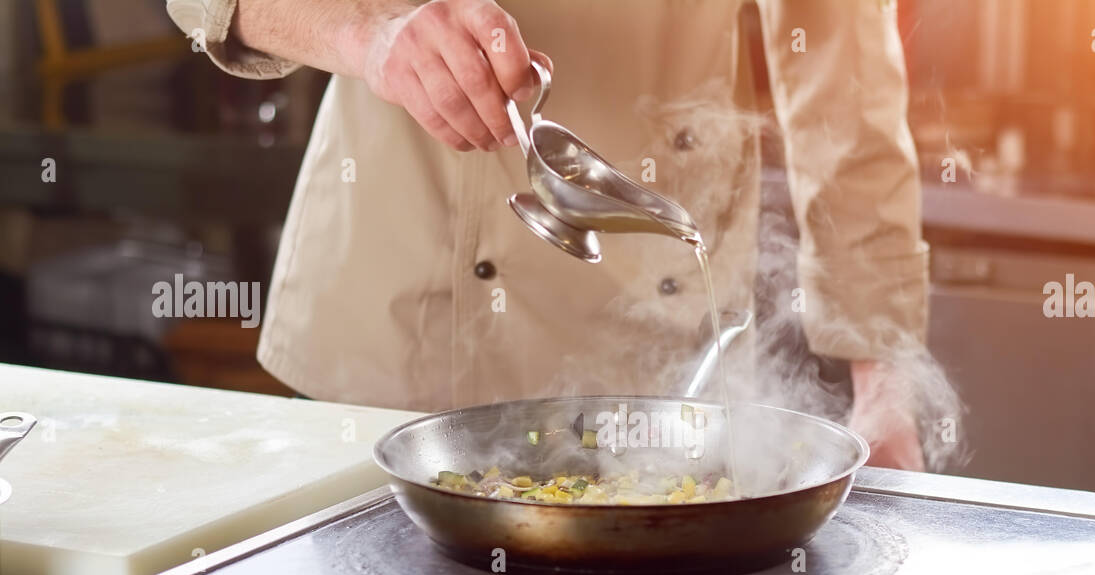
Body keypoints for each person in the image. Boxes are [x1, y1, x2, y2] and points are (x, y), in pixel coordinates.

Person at [165, 0, 932, 468]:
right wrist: (373, 36)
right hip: (400, 335)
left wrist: (884, 387)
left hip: (662, 368)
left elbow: (847, 84)